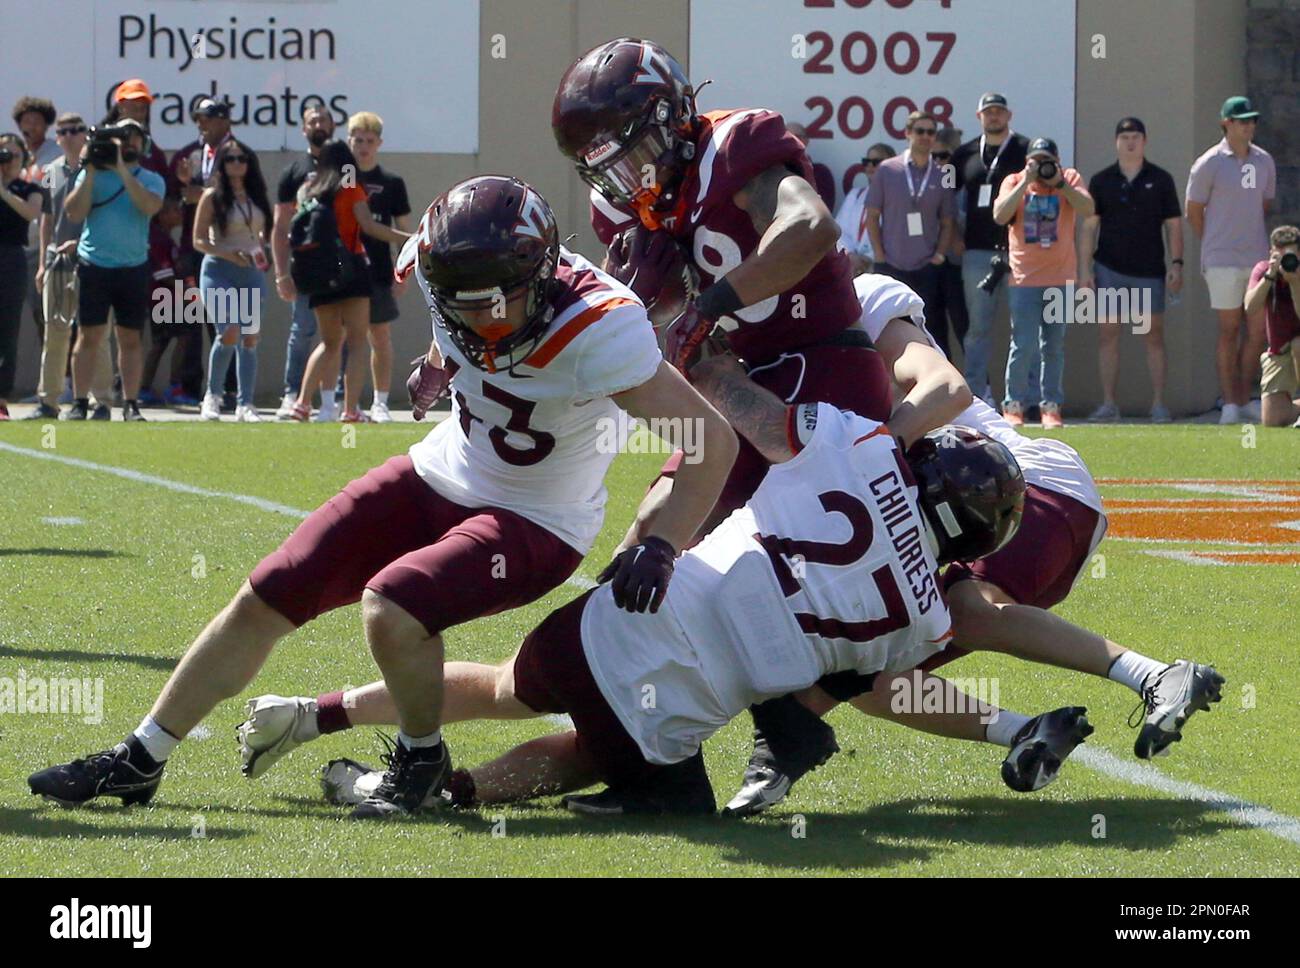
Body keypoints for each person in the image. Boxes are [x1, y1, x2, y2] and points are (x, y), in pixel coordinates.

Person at [28, 174, 737, 820]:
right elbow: (460, 333)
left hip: (537, 519)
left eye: (497, 305)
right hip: (442, 470)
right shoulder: (437, 265)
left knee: (393, 607)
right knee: (270, 590)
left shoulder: (600, 327)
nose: (482, 324)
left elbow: (711, 439)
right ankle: (140, 759)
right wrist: (439, 365)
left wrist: (662, 541)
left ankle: (419, 759)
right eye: (462, 309)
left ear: (542, 275)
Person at [288, 399, 1029, 818]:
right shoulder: (924, 623)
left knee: (509, 686)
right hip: (657, 716)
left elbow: (741, 405)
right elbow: (812, 701)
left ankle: (323, 715)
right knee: (639, 774)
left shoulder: (858, 443)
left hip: (607, 621)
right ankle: (451, 793)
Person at [722, 272, 1223, 815]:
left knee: (967, 609)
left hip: (1011, 484)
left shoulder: (856, 305)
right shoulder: (752, 371)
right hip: (943, 523)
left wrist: (871, 453)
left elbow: (945, 387)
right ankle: (1023, 732)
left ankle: (1156, 675)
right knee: (865, 675)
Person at [554, 36, 897, 788]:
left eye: (634, 150)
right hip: (728, 382)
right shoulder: (628, 203)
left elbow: (809, 230)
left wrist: (706, 304)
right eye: (606, 164)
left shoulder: (736, 146)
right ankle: (638, 753)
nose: (625, 176)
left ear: (672, 116)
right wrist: (649, 297)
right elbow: (639, 312)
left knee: (841, 588)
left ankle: (790, 720)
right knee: (649, 547)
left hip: (824, 370)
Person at [286, 140, 407, 423]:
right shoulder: (351, 187)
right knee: (356, 343)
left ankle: (302, 404)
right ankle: (351, 410)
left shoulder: (307, 190)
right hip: (351, 270)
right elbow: (369, 226)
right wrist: (407, 239)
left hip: (317, 273)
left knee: (328, 343)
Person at [61, 118, 165, 421]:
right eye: (121, 140)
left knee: (130, 338)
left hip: (132, 266)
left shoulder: (150, 178)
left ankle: (130, 403)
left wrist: (122, 169)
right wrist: (91, 170)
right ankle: (80, 401)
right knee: (88, 336)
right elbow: (74, 211)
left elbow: (149, 207)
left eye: (132, 140)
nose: (127, 145)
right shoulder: (93, 175)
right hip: (95, 265)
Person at [1082, 117, 1184, 423]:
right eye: (1125, 136)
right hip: (1109, 268)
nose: (1130, 142)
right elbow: (1089, 228)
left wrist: (1176, 264)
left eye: (1136, 136)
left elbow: (1174, 227)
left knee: (1153, 336)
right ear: (1116, 141)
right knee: (1108, 335)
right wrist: (1084, 270)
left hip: (1150, 270)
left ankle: (1158, 404)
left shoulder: (1161, 179)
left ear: (1145, 141)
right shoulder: (1101, 180)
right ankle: (1109, 404)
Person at [993, 137, 1094, 428]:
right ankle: (1013, 405)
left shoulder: (1070, 178)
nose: (1042, 168)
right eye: (1036, 161)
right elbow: (1000, 216)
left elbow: (1087, 210)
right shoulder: (1014, 180)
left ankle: (1050, 405)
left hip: (1060, 277)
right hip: (1024, 278)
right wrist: (1027, 180)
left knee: (1053, 346)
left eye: (1046, 161)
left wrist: (1061, 184)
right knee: (1022, 344)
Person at [1186, 96, 1275, 424]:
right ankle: (1230, 404)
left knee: (1257, 333)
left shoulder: (1264, 161)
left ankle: (1242, 396)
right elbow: (1194, 211)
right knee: (1229, 329)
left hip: (1256, 259)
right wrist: (1215, 243)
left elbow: (1263, 205)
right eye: (1242, 120)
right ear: (1226, 123)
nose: (1248, 125)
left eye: (1252, 120)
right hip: (1221, 259)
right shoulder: (1208, 163)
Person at [27, 114, 111, 421]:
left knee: (96, 333)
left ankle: (101, 401)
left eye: (76, 130)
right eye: (63, 131)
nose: (70, 135)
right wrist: (42, 263)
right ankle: (48, 401)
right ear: (58, 136)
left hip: (92, 259)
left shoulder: (100, 171)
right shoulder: (51, 171)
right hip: (58, 261)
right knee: (56, 331)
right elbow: (46, 217)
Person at [952, 93, 1030, 401]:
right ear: (979, 116)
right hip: (977, 252)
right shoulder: (964, 154)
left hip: (1020, 252)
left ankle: (1025, 399)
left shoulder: (1025, 150)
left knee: (1023, 329)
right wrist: (953, 237)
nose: (994, 117)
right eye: (988, 112)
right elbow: (947, 199)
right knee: (977, 330)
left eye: (999, 112)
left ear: (1009, 115)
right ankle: (976, 396)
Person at [864, 110, 957, 351]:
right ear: (907, 134)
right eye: (920, 131)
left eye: (930, 132)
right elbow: (872, 216)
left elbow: (947, 221)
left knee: (931, 329)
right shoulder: (887, 169)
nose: (926, 136)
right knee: (884, 328)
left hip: (927, 266)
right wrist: (879, 255)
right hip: (891, 263)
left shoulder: (942, 175)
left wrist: (939, 255)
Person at [194, 140, 271, 423]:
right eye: (230, 159)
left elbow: (263, 231)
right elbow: (198, 240)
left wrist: (263, 250)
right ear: (221, 164)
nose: (236, 164)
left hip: (251, 271)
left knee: (250, 337)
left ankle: (245, 404)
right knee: (229, 331)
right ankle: (212, 396)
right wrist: (229, 253)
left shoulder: (256, 195)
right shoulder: (212, 196)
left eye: (242, 158)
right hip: (219, 269)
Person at [167, 98, 237, 407]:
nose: (201, 125)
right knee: (190, 318)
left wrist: (205, 196)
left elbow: (245, 198)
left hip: (227, 250)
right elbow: (170, 206)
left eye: (207, 118)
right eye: (198, 119)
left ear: (224, 121)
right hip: (193, 248)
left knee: (229, 322)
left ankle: (230, 389)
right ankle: (189, 386)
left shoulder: (238, 155)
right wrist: (189, 196)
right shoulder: (187, 155)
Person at [344, 110, 412, 423]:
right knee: (342, 338)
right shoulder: (343, 178)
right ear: (349, 141)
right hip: (345, 268)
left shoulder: (392, 183)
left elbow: (404, 233)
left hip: (379, 271)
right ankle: (345, 404)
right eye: (358, 140)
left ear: (379, 143)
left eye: (370, 140)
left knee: (379, 337)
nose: (364, 146)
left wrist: (403, 273)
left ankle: (380, 402)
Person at [272, 104, 335, 419]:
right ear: (303, 129)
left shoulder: (345, 166)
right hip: (305, 264)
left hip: (339, 264)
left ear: (334, 125)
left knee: (340, 334)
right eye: (312, 120)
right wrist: (282, 273)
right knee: (303, 330)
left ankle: (331, 400)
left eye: (323, 119)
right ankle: (292, 394)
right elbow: (281, 226)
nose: (318, 124)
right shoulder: (294, 170)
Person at [12, 97, 59, 370]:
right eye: (27, 120)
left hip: (41, 245)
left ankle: (56, 378)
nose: (32, 125)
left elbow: (51, 197)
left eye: (38, 121)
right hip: (15, 245)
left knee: (46, 314)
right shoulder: (14, 153)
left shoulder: (54, 154)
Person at [0, 132, 45, 419]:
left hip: (11, 258)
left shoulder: (29, 188)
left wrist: (3, 191)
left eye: (12, 156)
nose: (6, 162)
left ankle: (2, 398)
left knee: (7, 330)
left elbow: (31, 213)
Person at [1244, 225, 1300, 428]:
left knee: (1298, 344)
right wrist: (1270, 275)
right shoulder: (1263, 269)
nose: (1286, 260)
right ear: (1271, 253)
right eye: (1280, 255)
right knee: (1273, 420)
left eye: (1291, 255)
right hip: (1279, 349)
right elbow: (1250, 307)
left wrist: (1295, 282)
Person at [928, 126, 970, 362]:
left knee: (963, 325)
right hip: (930, 263)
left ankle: (978, 387)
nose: (937, 162)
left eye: (943, 156)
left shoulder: (965, 186)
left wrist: (953, 229)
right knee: (934, 329)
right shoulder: (923, 182)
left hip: (957, 265)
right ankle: (946, 384)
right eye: (933, 156)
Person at [834, 142, 894, 276]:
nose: (870, 166)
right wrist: (851, 255)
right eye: (867, 162)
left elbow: (899, 237)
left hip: (883, 269)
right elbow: (838, 232)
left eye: (876, 162)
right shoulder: (855, 195)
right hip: (853, 268)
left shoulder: (900, 199)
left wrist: (870, 258)